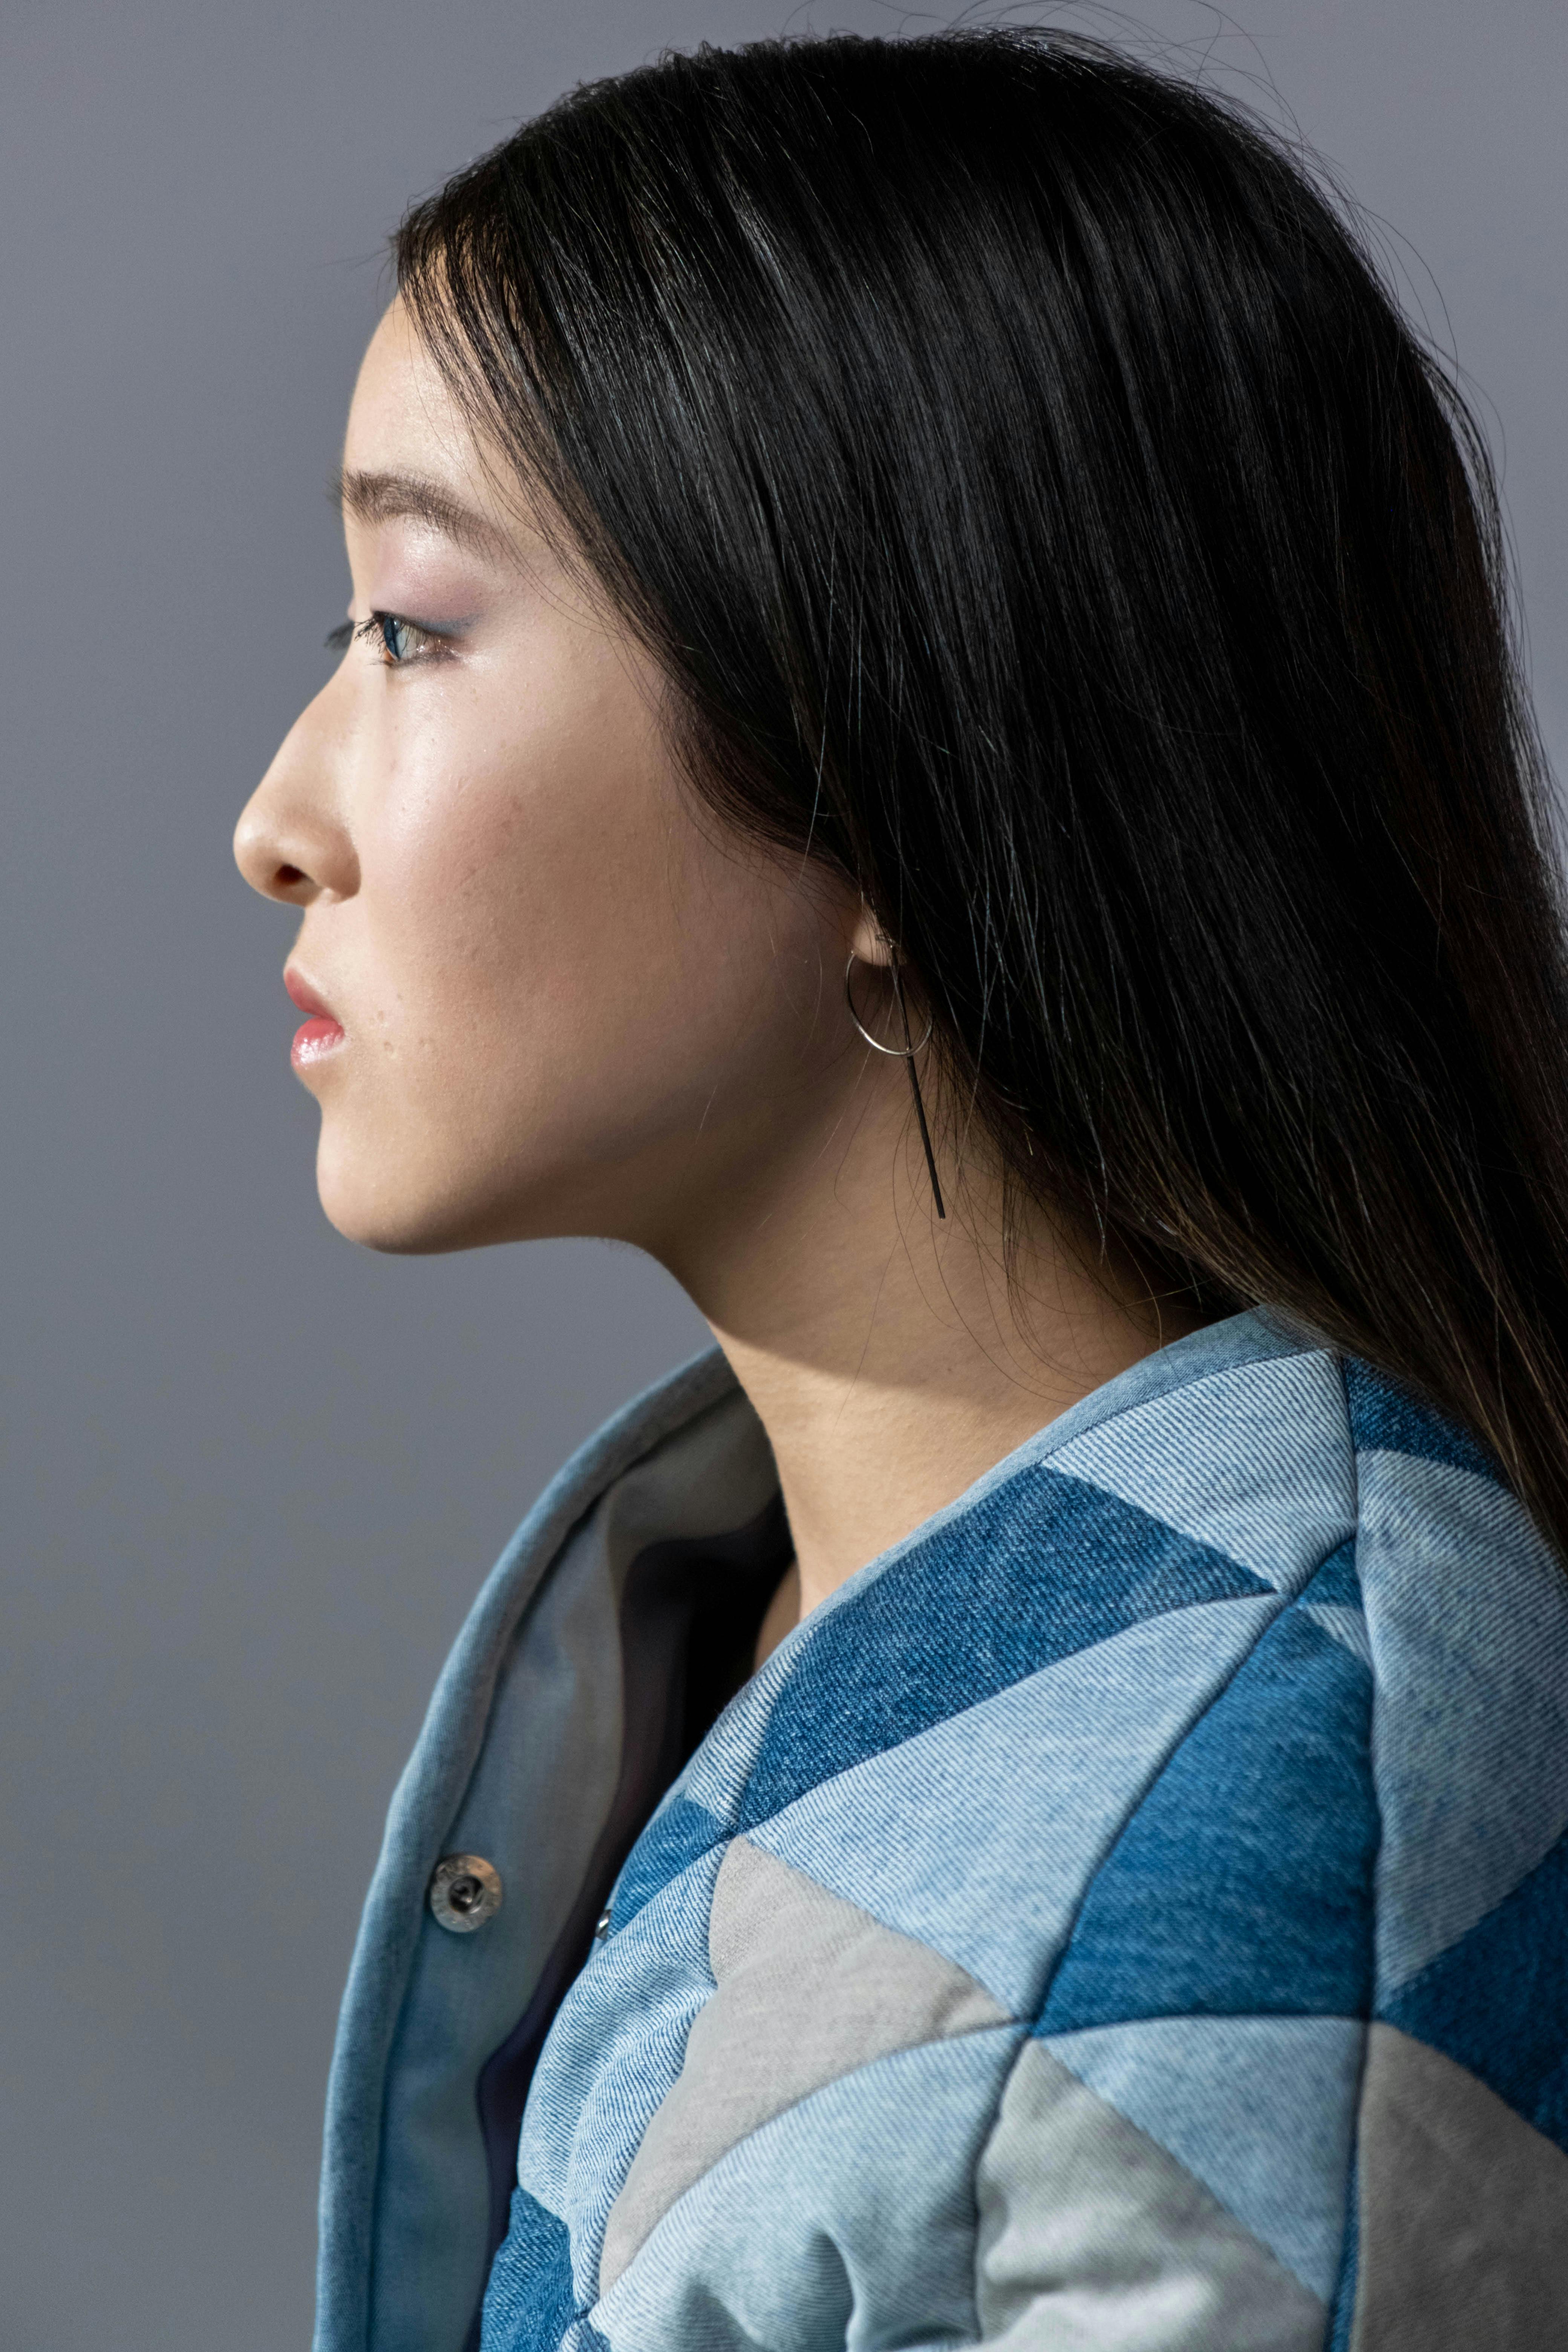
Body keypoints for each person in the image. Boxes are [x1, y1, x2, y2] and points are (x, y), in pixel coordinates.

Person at [233, 28, 1568, 2352]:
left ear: (888, 762)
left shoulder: (1234, 1830)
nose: (279, 820)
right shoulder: (779, 1600)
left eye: (414, 628)